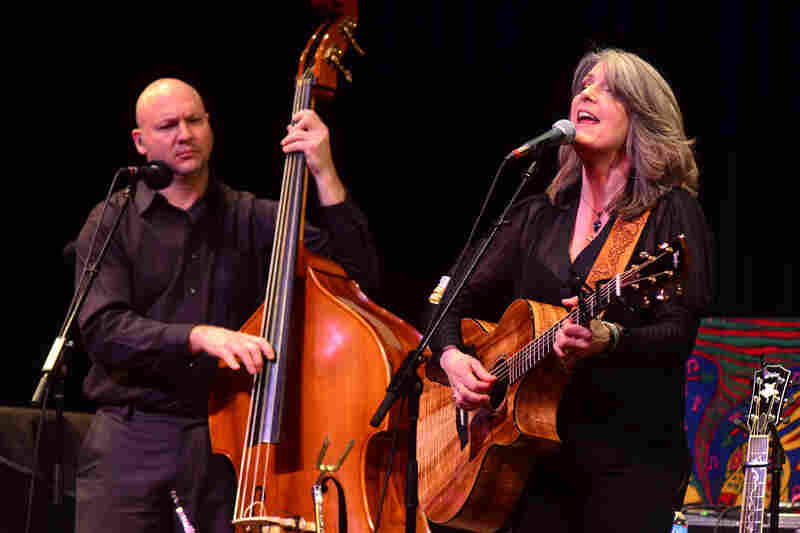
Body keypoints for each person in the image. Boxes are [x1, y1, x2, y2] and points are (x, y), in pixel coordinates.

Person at [74, 78, 379, 533]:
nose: (184, 134)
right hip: (130, 440)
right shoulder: (111, 221)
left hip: (224, 444)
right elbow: (102, 329)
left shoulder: (253, 218)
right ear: (140, 141)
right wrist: (199, 337)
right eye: (168, 126)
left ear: (210, 126)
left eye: (194, 120)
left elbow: (357, 279)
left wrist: (324, 172)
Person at [430, 49, 714, 532]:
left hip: (626, 464)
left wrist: (611, 339)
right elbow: (446, 299)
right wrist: (453, 357)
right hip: (529, 470)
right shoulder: (537, 217)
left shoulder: (671, 213)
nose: (586, 94)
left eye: (608, 89)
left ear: (643, 119)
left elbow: (679, 333)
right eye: (583, 85)